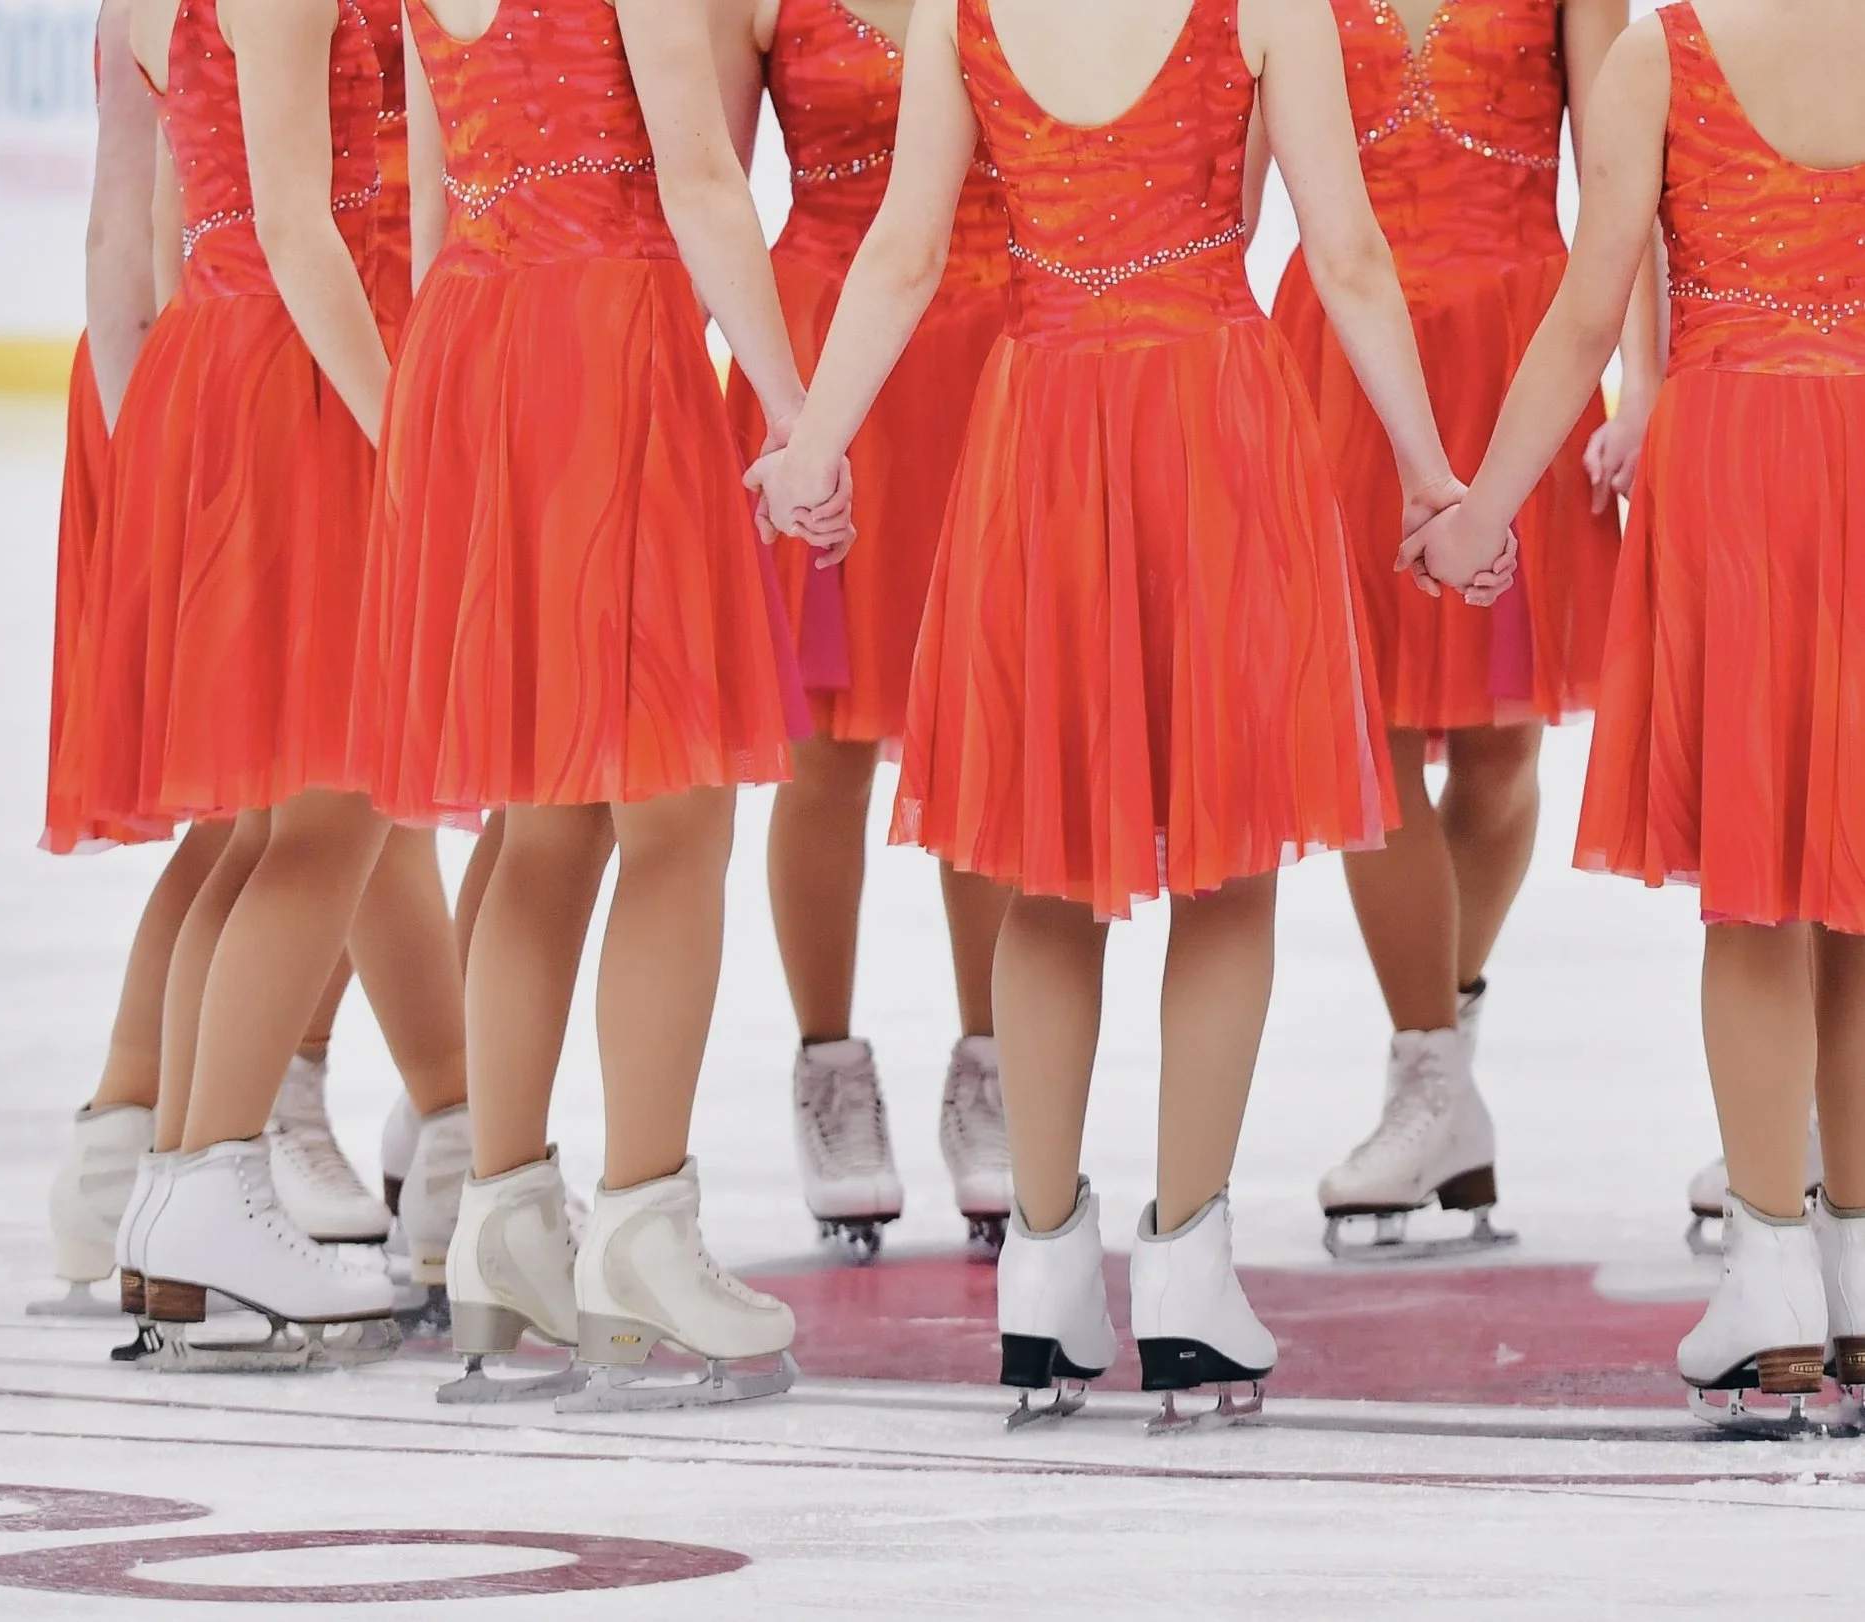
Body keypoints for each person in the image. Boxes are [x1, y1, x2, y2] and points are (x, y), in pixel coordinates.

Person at [748, 0, 1502, 1429]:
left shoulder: (962, 12)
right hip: (1214, 426)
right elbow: (1342, 252)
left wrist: (811, 446)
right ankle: (1187, 1269)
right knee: (1227, 863)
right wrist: (1427, 474)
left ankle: (1043, 1275)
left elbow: (904, 251)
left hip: (1043, 431)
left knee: (1047, 863)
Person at [352, 0, 854, 1410]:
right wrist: (791, 408)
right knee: (676, 813)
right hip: (605, 347)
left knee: (543, 815)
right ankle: (641, 1229)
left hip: (474, 347)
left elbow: (445, 201)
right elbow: (699, 179)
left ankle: (502, 1230)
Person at [1402, 0, 1865, 1431]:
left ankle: (1775, 1286)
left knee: (1759, 894)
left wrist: (1481, 509)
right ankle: (1852, 1276)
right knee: (1850, 887)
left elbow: (1589, 312)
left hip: (1738, 466)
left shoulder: (1664, 52)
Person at [95, 0, 474, 1372]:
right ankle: (203, 1180)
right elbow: (296, 227)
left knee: (270, 828)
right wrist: (410, 438)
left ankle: (179, 1191)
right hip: (299, 378)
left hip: (244, 366)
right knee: (330, 816)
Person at [1257, 0, 1655, 1264]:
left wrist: (1643, 380)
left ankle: (1442, 1052)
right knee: (1368, 724)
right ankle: (1426, 1069)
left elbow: (1618, 167)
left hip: (1516, 336)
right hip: (1344, 346)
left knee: (1498, 740)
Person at [709, 0, 1016, 1261]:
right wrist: (785, 409)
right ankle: (828, 1064)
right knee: (822, 741)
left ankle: (996, 1061)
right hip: (815, 349)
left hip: (993, 346)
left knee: (987, 718)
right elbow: (706, 193)